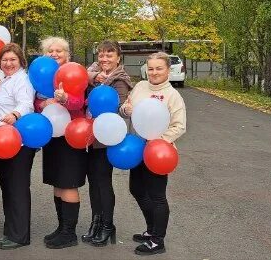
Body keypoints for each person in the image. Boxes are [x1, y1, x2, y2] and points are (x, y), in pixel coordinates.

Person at [120, 51, 186, 256]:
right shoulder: (140, 87)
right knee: (137, 189)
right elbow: (126, 108)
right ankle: (151, 230)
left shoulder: (172, 95)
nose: (154, 72)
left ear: (167, 70)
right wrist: (126, 110)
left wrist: (158, 142)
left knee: (157, 196)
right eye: (150, 68)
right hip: (137, 148)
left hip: (158, 152)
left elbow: (179, 126)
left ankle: (158, 240)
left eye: (159, 68)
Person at [37, 36, 87, 249]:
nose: (55, 54)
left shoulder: (74, 73)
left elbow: (80, 104)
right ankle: (61, 227)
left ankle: (69, 233)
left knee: (68, 183)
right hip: (52, 137)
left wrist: (64, 98)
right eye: (50, 51)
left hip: (71, 136)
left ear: (67, 55)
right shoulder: (43, 75)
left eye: (59, 51)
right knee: (57, 183)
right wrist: (45, 102)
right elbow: (36, 102)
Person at [0, 43, 36, 250]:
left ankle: (19, 235)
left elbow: (27, 103)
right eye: (4, 60)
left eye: (13, 59)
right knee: (8, 188)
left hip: (16, 142)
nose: (8, 63)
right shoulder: (5, 80)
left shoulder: (22, 80)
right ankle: (12, 229)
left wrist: (15, 114)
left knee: (17, 188)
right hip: (0, 142)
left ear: (21, 61)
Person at [83, 40, 133, 247]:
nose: (104, 59)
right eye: (101, 55)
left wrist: (126, 110)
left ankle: (107, 225)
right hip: (90, 137)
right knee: (93, 183)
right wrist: (94, 77)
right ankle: (96, 221)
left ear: (118, 58)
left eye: (109, 55)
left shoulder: (120, 81)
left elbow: (120, 108)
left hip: (107, 138)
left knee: (103, 182)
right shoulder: (92, 74)